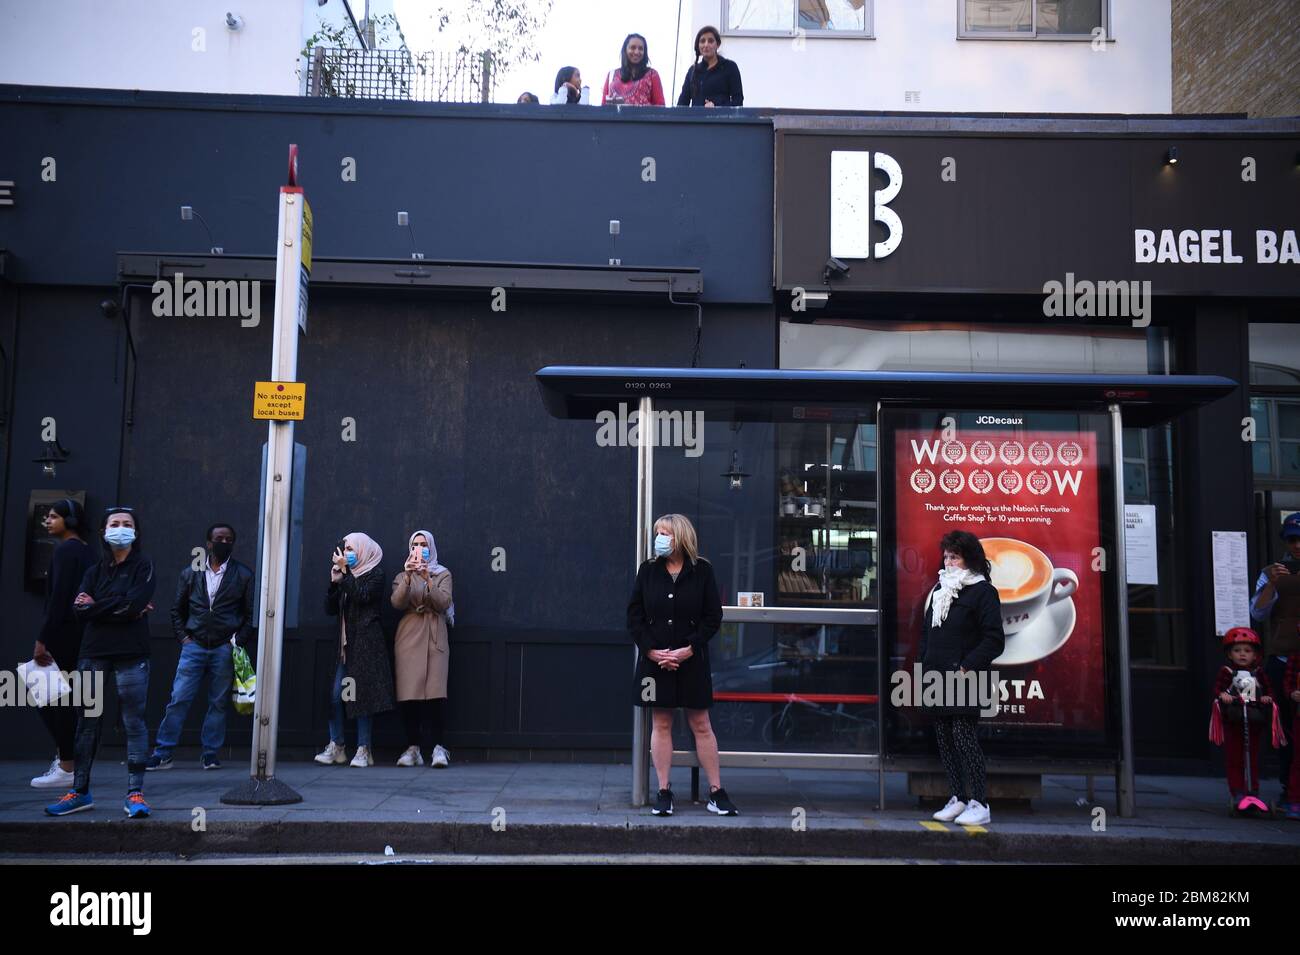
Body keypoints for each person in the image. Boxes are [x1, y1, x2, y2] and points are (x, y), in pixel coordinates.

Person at [45, 507, 156, 818]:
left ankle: (135, 794)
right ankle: (79, 792)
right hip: (93, 652)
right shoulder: (94, 570)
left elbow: (134, 603)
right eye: (115, 524)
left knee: (134, 723)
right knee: (86, 724)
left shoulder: (144, 565)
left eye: (127, 524)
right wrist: (123, 607)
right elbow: (79, 610)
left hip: (132, 654)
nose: (120, 528)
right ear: (104, 531)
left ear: (136, 531)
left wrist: (99, 605)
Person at [627, 513, 736, 816]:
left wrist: (689, 649)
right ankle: (664, 791)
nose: (659, 538)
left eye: (665, 533)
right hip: (656, 662)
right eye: (657, 532)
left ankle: (716, 791)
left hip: (692, 660)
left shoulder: (702, 571)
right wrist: (651, 651)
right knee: (662, 723)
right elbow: (634, 616)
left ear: (680, 537)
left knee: (701, 724)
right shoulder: (648, 571)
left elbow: (713, 617)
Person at [146, 522, 256, 772]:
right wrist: (184, 638)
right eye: (219, 539)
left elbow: (250, 614)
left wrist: (236, 641)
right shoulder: (190, 572)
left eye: (229, 539)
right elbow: (177, 610)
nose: (224, 543)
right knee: (179, 699)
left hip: (224, 647)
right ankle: (163, 752)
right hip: (194, 646)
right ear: (208, 543)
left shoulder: (244, 574)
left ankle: (210, 753)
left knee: (217, 703)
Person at [920, 530, 1004, 827]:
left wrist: (966, 668)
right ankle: (957, 797)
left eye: (954, 556)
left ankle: (980, 803)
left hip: (966, 677)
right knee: (944, 739)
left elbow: (994, 640)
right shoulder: (939, 590)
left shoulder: (983, 592)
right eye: (946, 556)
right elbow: (928, 635)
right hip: (937, 676)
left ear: (970, 559)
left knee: (964, 738)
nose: (948, 561)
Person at [30, 499, 96, 789]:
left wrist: (42, 640)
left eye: (54, 516)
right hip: (80, 635)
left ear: (69, 521)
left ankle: (67, 765)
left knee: (51, 698)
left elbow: (58, 600)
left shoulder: (66, 550)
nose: (48, 521)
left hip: (63, 635)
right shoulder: (86, 551)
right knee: (63, 700)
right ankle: (67, 761)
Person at [316, 532, 394, 768]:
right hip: (343, 646)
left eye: (351, 549)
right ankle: (337, 745)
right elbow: (330, 609)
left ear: (362, 550)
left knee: (362, 696)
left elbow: (363, 596)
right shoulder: (344, 576)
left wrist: (346, 576)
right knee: (335, 695)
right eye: (345, 549)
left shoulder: (375, 575)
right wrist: (333, 583)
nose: (347, 554)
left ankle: (363, 749)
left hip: (366, 644)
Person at [391, 530, 455, 768]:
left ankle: (439, 747)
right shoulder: (402, 574)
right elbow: (397, 602)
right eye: (416, 545)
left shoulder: (442, 573)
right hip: (409, 634)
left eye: (424, 544)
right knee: (410, 694)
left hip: (435, 633)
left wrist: (428, 579)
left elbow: (443, 602)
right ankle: (413, 747)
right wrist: (409, 576)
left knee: (436, 693)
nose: (420, 549)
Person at [1249, 511, 1300, 806]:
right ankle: (1287, 787)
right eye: (1292, 539)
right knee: (1286, 730)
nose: (1297, 546)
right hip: (1283, 659)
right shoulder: (1272, 572)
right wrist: (1272, 584)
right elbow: (1258, 612)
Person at [1208, 627, 1283, 815]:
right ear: (1229, 654)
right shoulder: (1227, 672)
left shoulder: (1258, 673)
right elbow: (1218, 689)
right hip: (1234, 718)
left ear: (1255, 655)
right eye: (1237, 651)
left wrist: (1266, 698)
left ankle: (1253, 791)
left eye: (1247, 651)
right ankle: (1238, 791)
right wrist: (1223, 695)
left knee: (1253, 757)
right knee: (1235, 756)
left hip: (1254, 719)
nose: (1242, 655)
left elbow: (1269, 691)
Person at [676, 25, 743, 107]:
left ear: (717, 45)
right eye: (702, 41)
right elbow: (682, 103)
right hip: (696, 119)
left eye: (710, 41)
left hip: (721, 119)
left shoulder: (729, 67)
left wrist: (717, 106)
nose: (706, 45)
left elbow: (738, 101)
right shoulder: (692, 71)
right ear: (698, 45)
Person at [600, 33, 665, 106]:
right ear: (625, 50)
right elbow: (603, 106)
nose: (637, 52)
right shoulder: (611, 75)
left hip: (642, 117)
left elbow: (660, 107)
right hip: (615, 117)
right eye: (633, 48)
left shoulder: (652, 75)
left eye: (640, 49)